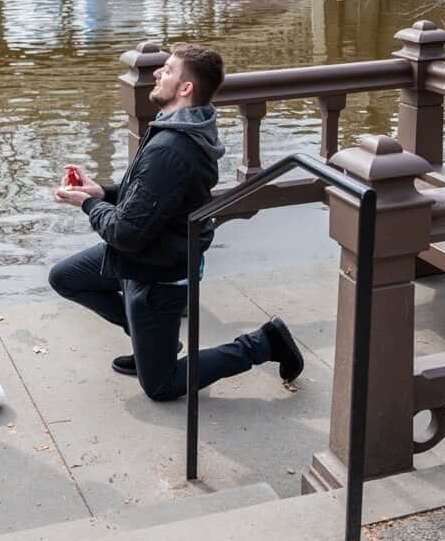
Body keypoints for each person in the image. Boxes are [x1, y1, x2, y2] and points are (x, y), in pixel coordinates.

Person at [49, 43, 304, 401]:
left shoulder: (171, 147)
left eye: (167, 70)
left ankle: (262, 343)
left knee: (161, 386)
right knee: (66, 277)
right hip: (146, 255)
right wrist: (103, 192)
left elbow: (126, 233)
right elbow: (147, 193)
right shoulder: (179, 128)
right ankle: (148, 338)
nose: (157, 73)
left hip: (159, 271)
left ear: (186, 88)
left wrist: (87, 204)